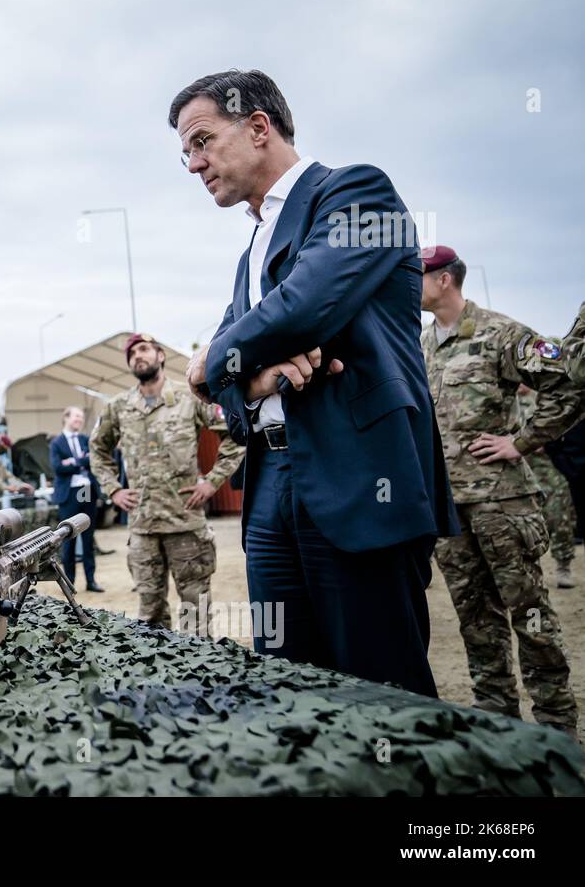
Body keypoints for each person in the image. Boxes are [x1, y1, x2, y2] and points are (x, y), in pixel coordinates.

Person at [177, 69, 458, 697]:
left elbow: (307, 305)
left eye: (201, 141)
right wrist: (249, 385)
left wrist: (212, 359)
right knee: (290, 688)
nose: (193, 165)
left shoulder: (359, 194)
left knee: (381, 693)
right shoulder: (252, 252)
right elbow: (224, 382)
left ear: (257, 126)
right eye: (185, 153)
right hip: (271, 483)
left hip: (359, 475)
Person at [420, 245, 578, 732]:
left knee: (530, 617)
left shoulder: (500, 333)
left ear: (444, 279)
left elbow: (569, 381)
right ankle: (498, 722)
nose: (411, 284)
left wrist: (522, 441)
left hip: (502, 503)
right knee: (475, 621)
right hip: (450, 509)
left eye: (418, 275)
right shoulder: (422, 344)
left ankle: (555, 726)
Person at [91, 334, 242, 630]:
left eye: (144, 349)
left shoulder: (190, 397)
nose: (138, 356)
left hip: (185, 523)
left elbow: (234, 437)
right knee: (150, 617)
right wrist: (114, 489)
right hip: (143, 527)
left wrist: (212, 482)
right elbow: (97, 450)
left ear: (160, 356)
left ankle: (198, 673)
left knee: (195, 615)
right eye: (132, 353)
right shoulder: (119, 406)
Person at [518, 386, 578, 588]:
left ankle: (563, 565)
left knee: (560, 513)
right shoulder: (503, 396)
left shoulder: (544, 397)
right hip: (514, 465)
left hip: (545, 464)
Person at [49, 406, 104, 592]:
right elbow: (58, 467)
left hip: (86, 491)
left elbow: (92, 460)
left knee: (88, 538)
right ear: (66, 418)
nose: (79, 420)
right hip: (69, 494)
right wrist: (80, 461)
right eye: (76, 416)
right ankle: (69, 581)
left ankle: (91, 580)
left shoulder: (85, 439)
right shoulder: (57, 442)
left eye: (81, 417)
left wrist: (73, 461)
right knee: (68, 538)